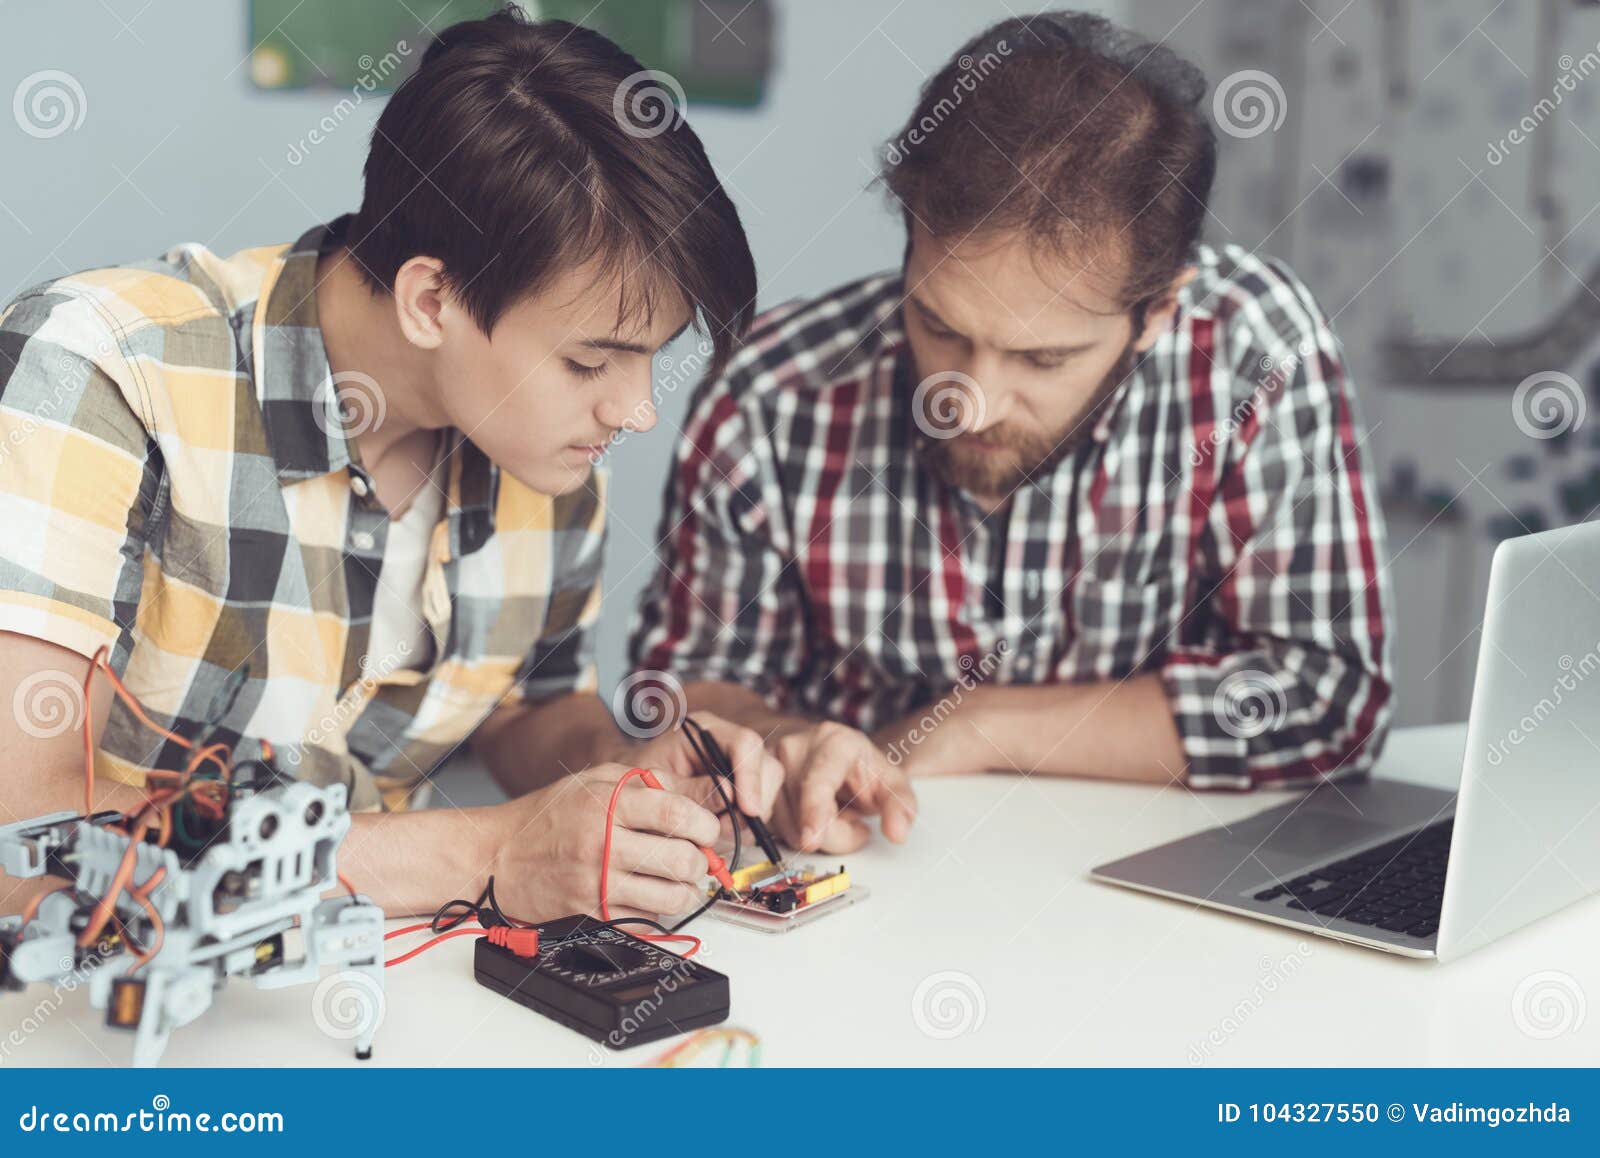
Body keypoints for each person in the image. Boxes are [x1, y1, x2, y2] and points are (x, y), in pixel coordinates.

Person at [0, 9, 781, 924]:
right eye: (590, 361)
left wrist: (632, 775)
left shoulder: (545, 442)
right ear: (431, 298)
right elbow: (25, 831)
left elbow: (523, 713)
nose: (637, 409)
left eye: (653, 356)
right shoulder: (99, 373)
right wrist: (490, 850)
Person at [629, 11, 1395, 855]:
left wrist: (985, 726)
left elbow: (1331, 700)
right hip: (871, 881)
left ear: (1159, 312)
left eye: (1042, 358)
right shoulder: (774, 395)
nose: (971, 401)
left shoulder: (1253, 355)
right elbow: (679, 694)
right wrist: (783, 742)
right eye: (940, 325)